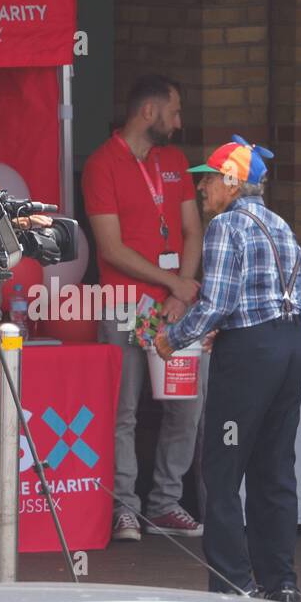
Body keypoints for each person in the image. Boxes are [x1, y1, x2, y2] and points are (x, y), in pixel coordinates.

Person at [155, 136, 301, 602]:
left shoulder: (226, 226)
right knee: (274, 469)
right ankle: (280, 584)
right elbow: (274, 297)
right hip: (290, 346)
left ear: (231, 182)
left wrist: (171, 338)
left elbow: (217, 301)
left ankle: (232, 585)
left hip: (248, 358)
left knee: (222, 471)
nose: (202, 190)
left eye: (208, 181)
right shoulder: (281, 226)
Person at [83, 74, 205, 541]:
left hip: (174, 306)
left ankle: (166, 503)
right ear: (148, 112)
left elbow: (193, 229)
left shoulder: (175, 161)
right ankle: (124, 508)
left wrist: (180, 291)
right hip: (123, 303)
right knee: (123, 409)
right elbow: (111, 248)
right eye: (173, 112)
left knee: (185, 406)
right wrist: (173, 281)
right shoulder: (101, 164)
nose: (178, 123)